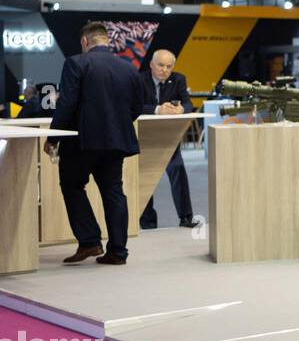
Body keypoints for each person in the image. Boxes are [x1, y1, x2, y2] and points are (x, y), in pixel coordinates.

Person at [48, 21, 145, 265]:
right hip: (116, 142)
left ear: (84, 42)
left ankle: (90, 241)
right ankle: (118, 252)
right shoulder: (129, 68)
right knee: (114, 192)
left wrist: (53, 137)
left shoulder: (76, 63)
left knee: (72, 185)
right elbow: (136, 107)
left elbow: (66, 104)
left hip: (82, 142)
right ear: (106, 40)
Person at [139, 49, 197, 229]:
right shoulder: (139, 80)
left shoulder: (179, 79)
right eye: (160, 65)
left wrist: (182, 109)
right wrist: (157, 110)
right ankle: (147, 222)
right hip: (144, 138)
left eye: (169, 66)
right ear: (151, 65)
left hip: (168, 138)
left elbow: (188, 104)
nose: (164, 70)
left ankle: (186, 218)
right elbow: (133, 106)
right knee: (146, 178)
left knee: (178, 169)